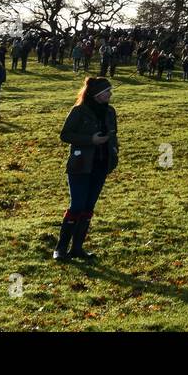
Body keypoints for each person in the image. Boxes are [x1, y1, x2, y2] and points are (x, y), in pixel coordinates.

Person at [53, 77, 119, 262]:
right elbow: (65, 135)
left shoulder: (110, 112)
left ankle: (77, 248)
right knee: (77, 205)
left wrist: (114, 154)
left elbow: (114, 135)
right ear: (96, 94)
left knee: (89, 207)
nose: (110, 94)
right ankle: (60, 248)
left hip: (101, 166)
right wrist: (91, 140)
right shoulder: (79, 111)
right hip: (80, 166)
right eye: (107, 91)